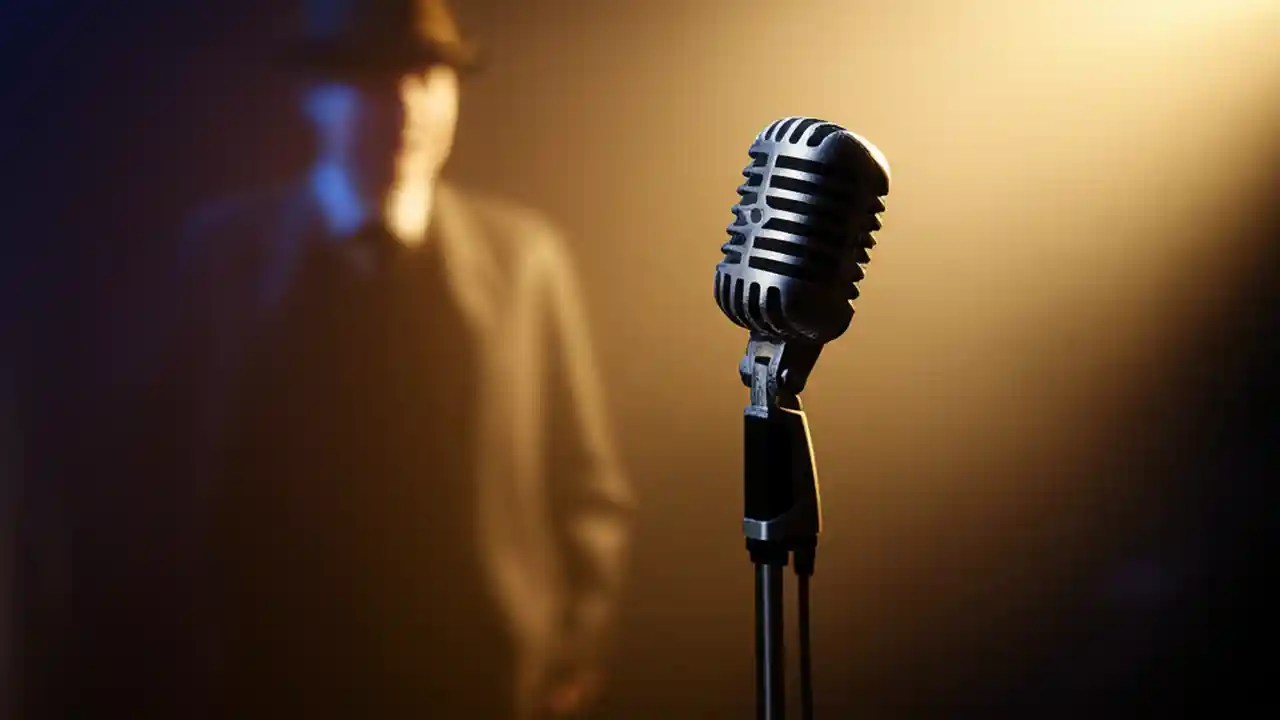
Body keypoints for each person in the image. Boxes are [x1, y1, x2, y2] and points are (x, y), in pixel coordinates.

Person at [171, 1, 633, 717]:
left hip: (477, 678)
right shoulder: (224, 257)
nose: (407, 107)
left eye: (430, 77)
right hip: (280, 678)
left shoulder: (525, 259)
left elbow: (586, 480)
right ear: (313, 96)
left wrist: (571, 649)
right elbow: (162, 476)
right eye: (376, 79)